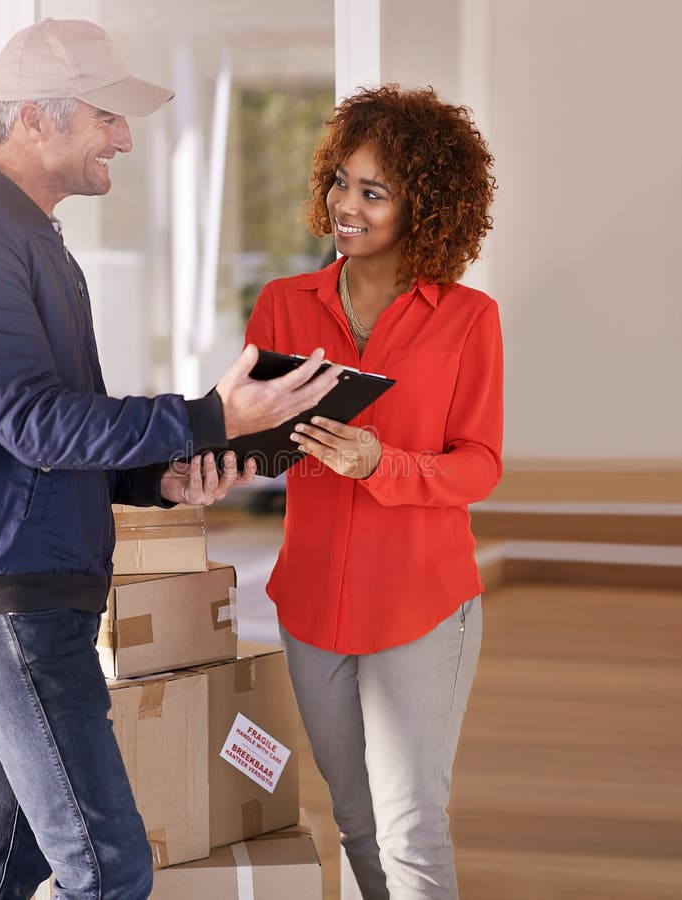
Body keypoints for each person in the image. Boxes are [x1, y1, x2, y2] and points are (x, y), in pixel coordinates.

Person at [0, 18, 341, 900]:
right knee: (109, 867)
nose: (125, 135)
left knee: (7, 865)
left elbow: (45, 437)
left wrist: (159, 475)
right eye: (106, 115)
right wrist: (208, 412)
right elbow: (34, 424)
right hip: (8, 601)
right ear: (35, 121)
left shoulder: (31, 237)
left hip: (29, 592)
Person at [245, 85, 503, 899]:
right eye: (339, 182)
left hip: (420, 605)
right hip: (310, 603)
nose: (344, 206)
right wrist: (216, 458)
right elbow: (257, 445)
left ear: (423, 206)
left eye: (373, 191)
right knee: (352, 821)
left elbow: (480, 463)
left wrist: (381, 464)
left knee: (410, 829)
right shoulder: (284, 304)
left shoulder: (468, 318)